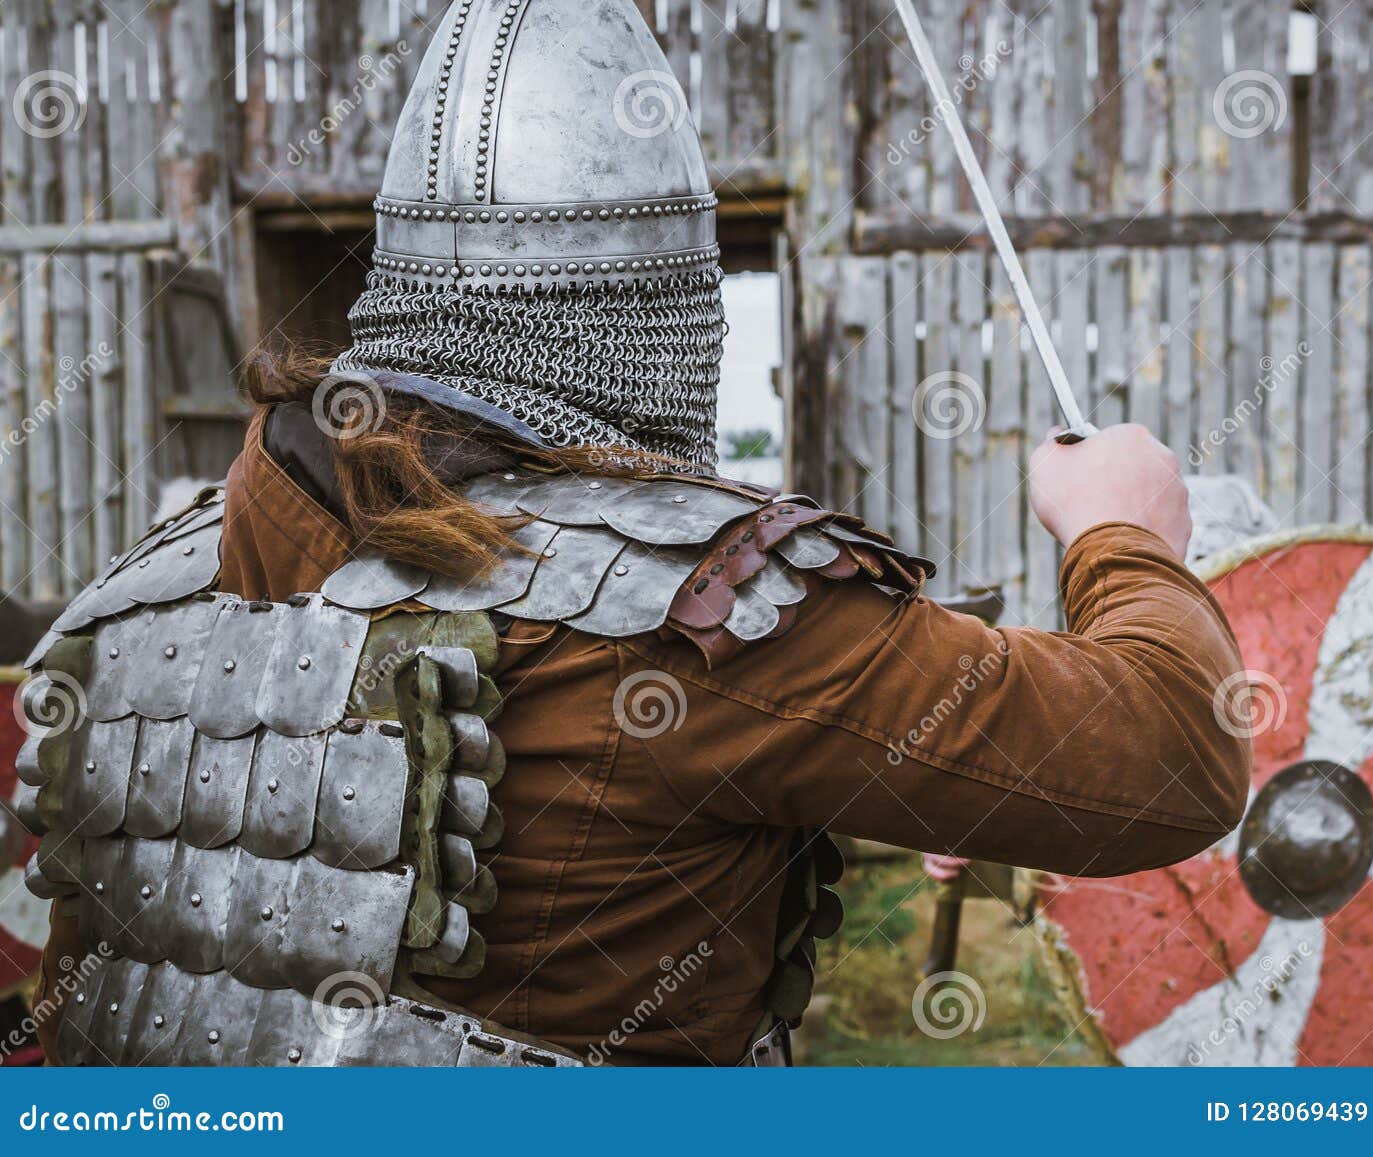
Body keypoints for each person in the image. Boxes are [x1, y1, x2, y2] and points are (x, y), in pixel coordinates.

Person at [24, 0, 1249, 1067]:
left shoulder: (148, 590)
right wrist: (1123, 536)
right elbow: (1163, 762)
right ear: (662, 307)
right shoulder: (703, 611)